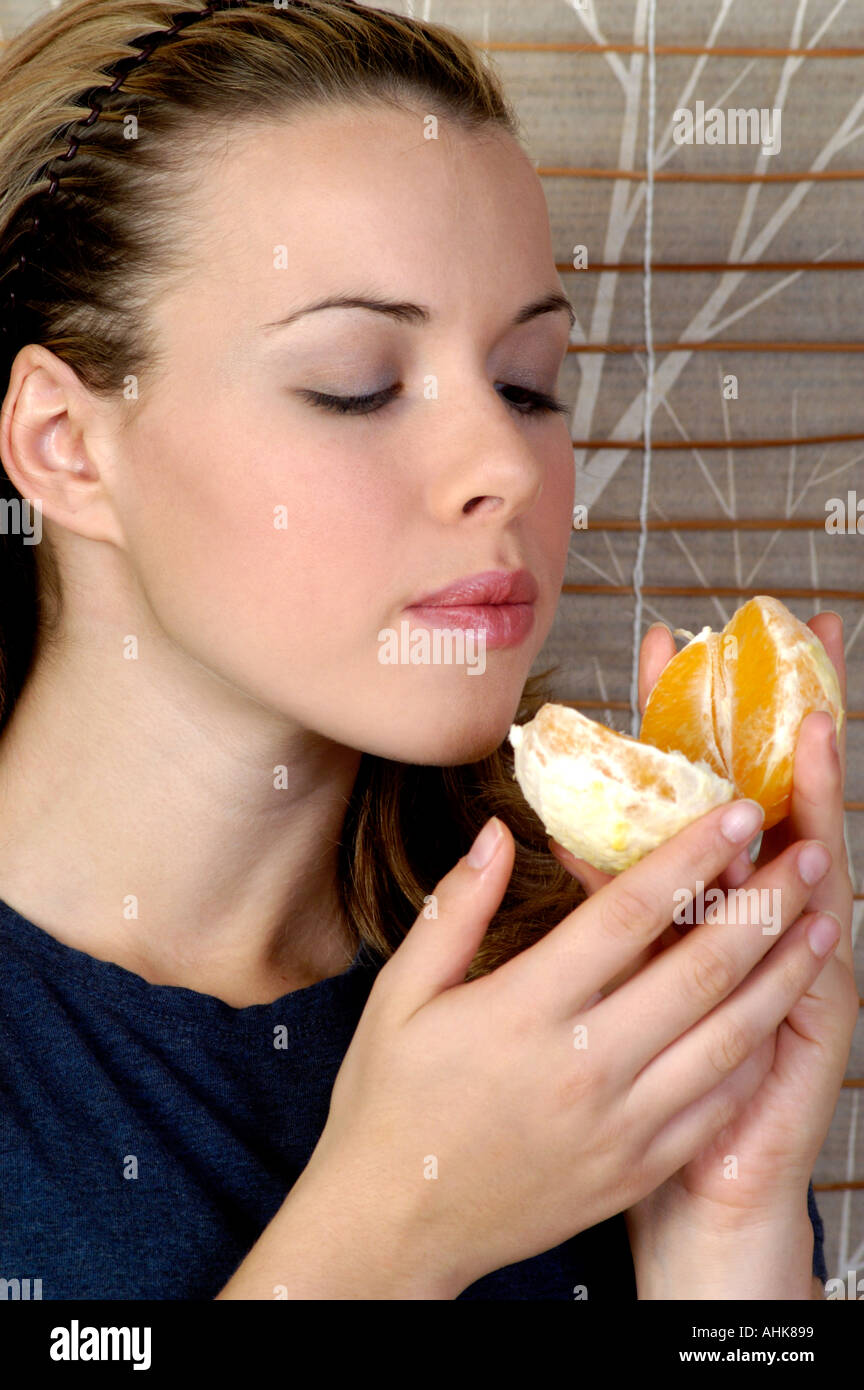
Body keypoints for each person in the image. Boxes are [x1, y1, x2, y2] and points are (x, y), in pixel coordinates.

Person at [0, 0, 854, 1301]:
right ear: (66, 445)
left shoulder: (598, 986)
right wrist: (388, 1237)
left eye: (527, 381)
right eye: (356, 381)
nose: (504, 465)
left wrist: (722, 1236)